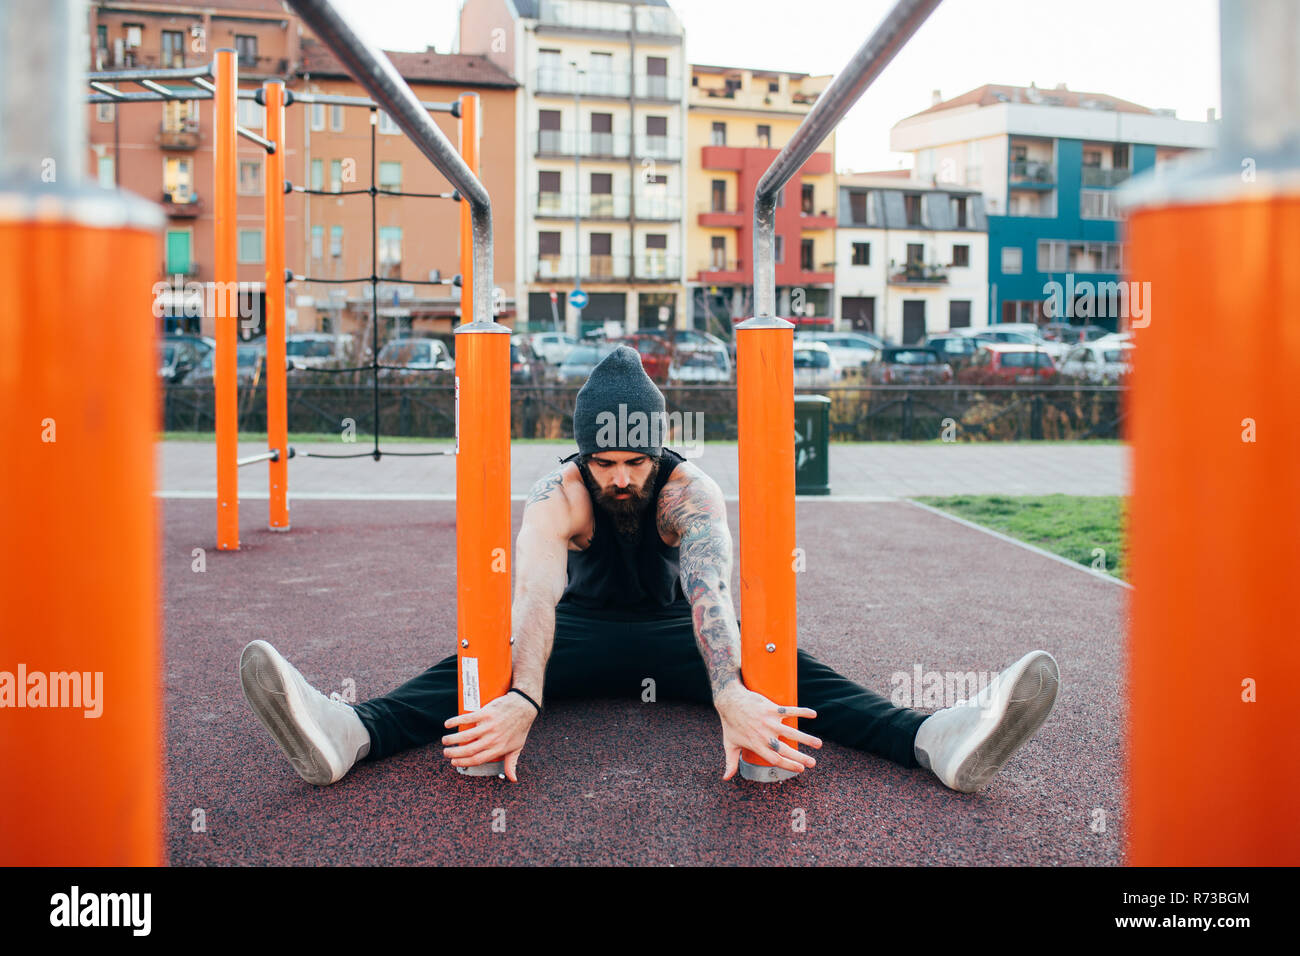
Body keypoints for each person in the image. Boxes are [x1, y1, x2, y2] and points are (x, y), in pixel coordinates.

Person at [240, 346, 1060, 791]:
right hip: (578, 639)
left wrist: (732, 689)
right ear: (583, 453)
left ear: (659, 448)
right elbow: (533, 595)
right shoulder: (558, 493)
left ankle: (933, 740)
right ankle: (348, 733)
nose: (623, 476)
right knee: (471, 666)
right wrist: (524, 695)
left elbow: (712, 591)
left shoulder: (688, 491)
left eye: (637, 458)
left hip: (676, 638)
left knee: (796, 672)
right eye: (607, 462)